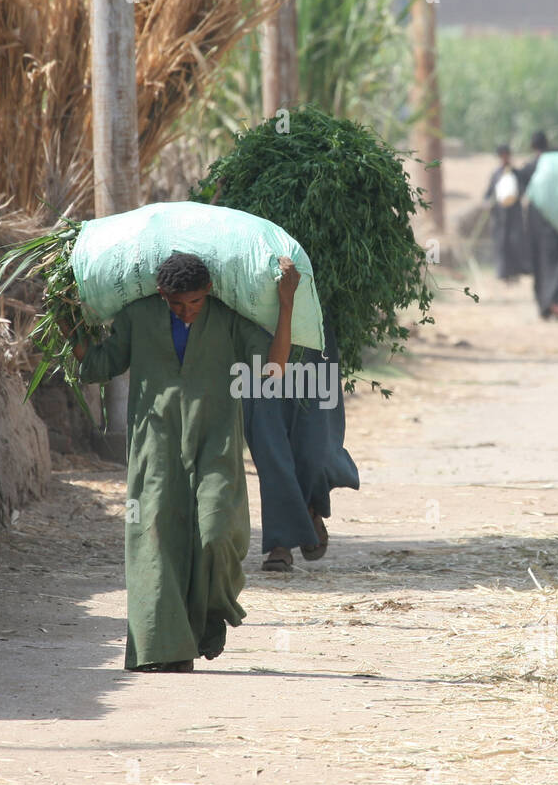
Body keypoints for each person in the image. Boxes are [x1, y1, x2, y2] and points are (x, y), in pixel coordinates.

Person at [74, 251, 300, 672]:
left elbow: (274, 366)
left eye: (195, 302)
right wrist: (68, 320)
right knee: (156, 537)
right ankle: (162, 648)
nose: (187, 312)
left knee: (216, 532)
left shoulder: (228, 320)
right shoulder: (138, 316)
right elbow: (97, 366)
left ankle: (211, 614)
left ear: (209, 291)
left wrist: (286, 302)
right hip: (154, 442)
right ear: (161, 294)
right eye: (177, 304)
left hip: (215, 441)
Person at [243, 320, 359, 572]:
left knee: (316, 446)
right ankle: (280, 543)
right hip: (255, 339)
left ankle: (309, 506)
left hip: (312, 341)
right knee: (269, 448)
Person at [514, 130, 558, 321]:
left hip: (538, 217)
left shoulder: (538, 163)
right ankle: (553, 301)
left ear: (533, 146)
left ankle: (545, 303)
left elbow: (520, 180)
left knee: (540, 261)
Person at [482, 143, 529, 283]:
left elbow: (522, 191)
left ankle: (515, 272)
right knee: (501, 243)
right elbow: (489, 192)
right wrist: (487, 203)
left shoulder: (516, 173)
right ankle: (503, 273)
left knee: (515, 242)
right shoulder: (496, 174)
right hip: (499, 216)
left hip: (514, 215)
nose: (504, 158)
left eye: (506, 155)